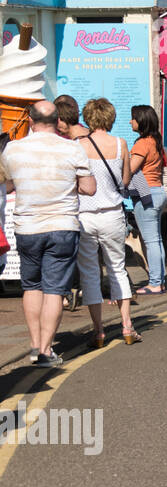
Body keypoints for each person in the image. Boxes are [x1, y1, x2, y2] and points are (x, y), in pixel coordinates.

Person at [1, 100, 96, 367]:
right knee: (54, 291)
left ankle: (34, 346)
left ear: (30, 121)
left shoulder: (12, 149)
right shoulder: (72, 148)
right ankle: (46, 351)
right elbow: (89, 188)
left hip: (28, 228)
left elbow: (7, 186)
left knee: (31, 287)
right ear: (58, 122)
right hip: (63, 226)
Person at [75, 99, 138, 348]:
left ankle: (99, 331)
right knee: (118, 269)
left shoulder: (78, 146)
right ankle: (126, 325)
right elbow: (125, 180)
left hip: (84, 216)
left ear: (88, 118)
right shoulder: (121, 144)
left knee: (90, 274)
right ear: (111, 117)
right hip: (112, 213)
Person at [129, 105, 167, 295]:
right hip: (158, 192)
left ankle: (154, 282)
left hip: (146, 195)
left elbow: (130, 169)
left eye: (133, 118)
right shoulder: (156, 141)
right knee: (157, 240)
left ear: (141, 121)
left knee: (151, 241)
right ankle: (159, 280)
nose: (131, 121)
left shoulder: (142, 144)